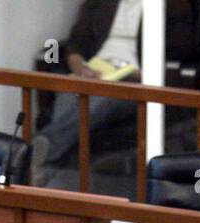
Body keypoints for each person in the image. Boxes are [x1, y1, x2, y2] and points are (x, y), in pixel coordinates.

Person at [32, 0, 144, 180]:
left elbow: (181, 53)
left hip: (133, 81)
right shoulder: (98, 3)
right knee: (70, 91)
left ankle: (41, 150)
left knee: (97, 99)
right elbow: (75, 43)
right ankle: (46, 169)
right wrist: (81, 69)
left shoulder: (168, 7)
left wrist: (142, 73)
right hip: (95, 71)